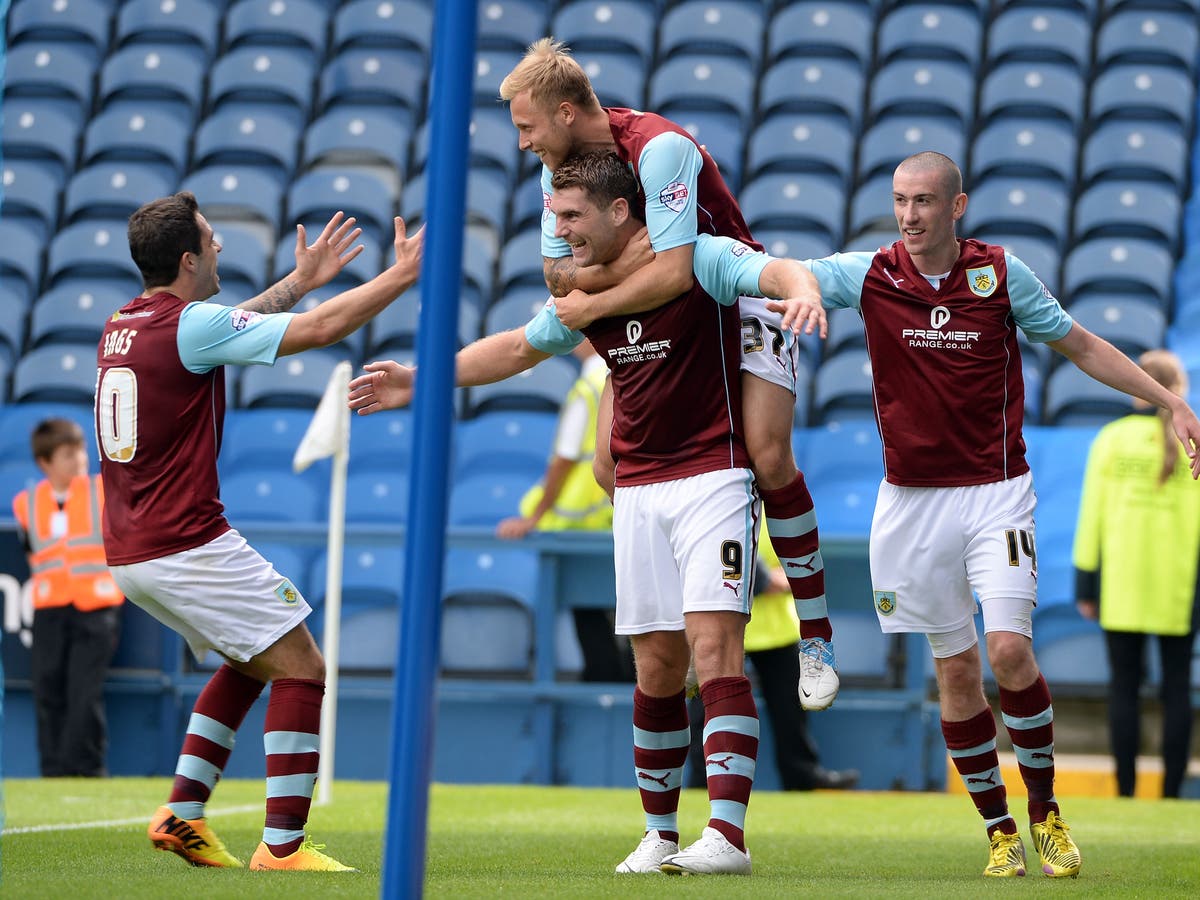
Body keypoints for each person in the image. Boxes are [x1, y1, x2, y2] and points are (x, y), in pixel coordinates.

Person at [350, 151, 824, 876]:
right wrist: (421, 379)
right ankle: (660, 834)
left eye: (571, 216)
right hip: (637, 490)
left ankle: (727, 836)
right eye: (555, 214)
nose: (558, 228)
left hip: (713, 478)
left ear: (621, 212)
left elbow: (772, 268)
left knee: (715, 648)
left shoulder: (695, 259)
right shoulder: (580, 293)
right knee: (655, 665)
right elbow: (516, 348)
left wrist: (802, 293)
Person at [767, 151, 1200, 878]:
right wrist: (802, 287)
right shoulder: (872, 273)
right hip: (911, 503)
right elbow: (782, 271)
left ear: (957, 206)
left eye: (925, 201)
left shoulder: (999, 274)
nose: (909, 215)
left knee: (1007, 651)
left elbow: (1082, 344)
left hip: (997, 491)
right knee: (958, 675)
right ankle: (999, 830)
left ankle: (1045, 812)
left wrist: (1171, 401)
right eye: (901, 201)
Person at [499, 39, 841, 711]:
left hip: (737, 297)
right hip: (658, 319)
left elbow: (679, 270)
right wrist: (636, 268)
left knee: (768, 456)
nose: (522, 143)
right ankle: (678, 621)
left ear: (565, 112)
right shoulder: (560, 173)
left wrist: (597, 295)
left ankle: (816, 631)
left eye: (526, 125)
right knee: (607, 468)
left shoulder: (660, 148)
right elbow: (555, 277)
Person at [96, 191, 422, 872]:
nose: (221, 247)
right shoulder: (186, 327)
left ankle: (182, 813)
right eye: (211, 239)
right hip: (183, 540)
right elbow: (319, 330)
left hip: (132, 547)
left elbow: (232, 324)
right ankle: (282, 847)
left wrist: (300, 281)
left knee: (250, 661)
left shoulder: (123, 323)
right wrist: (400, 276)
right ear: (187, 258)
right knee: (303, 665)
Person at [1073, 349, 1200, 799]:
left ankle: (1126, 791)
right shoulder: (1194, 437)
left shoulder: (1110, 439)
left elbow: (1091, 519)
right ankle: (1170, 794)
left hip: (1121, 583)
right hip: (1182, 586)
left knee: (1124, 688)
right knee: (1178, 689)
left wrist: (1085, 583)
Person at [495, 339, 634, 683]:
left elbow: (565, 458)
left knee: (587, 611)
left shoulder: (588, 386)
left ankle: (604, 678)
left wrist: (536, 514)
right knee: (632, 605)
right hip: (620, 513)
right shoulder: (629, 376)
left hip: (582, 523)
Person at [686, 520, 860, 791]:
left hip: (773, 625)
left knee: (790, 708)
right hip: (725, 620)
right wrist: (764, 578)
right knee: (706, 708)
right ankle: (702, 781)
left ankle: (802, 776)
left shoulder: (770, 491)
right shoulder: (729, 486)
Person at [12, 418, 124, 778]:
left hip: (97, 607)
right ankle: (53, 770)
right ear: (45, 463)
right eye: (67, 454)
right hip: (48, 610)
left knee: (84, 693)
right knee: (48, 689)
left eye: (81, 450)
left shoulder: (105, 491)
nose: (78, 459)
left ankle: (88, 769)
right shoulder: (25, 504)